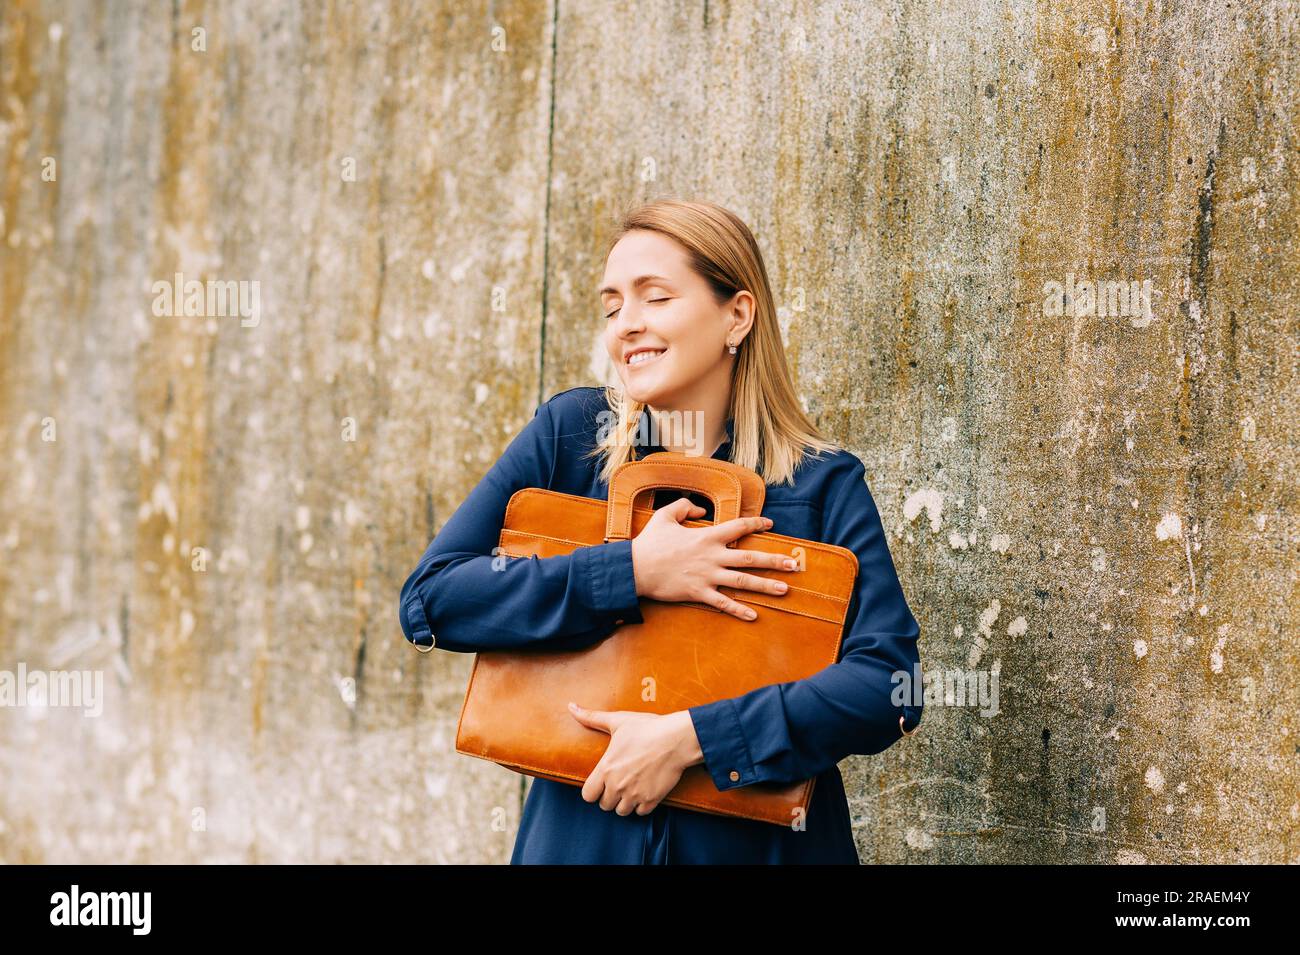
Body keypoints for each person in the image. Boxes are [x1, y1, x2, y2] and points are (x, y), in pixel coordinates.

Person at [398, 198, 923, 864]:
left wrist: (693, 737)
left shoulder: (819, 483)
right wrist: (630, 572)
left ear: (737, 315)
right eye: (613, 306)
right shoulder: (569, 438)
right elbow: (430, 599)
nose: (628, 325)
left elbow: (890, 683)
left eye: (655, 298)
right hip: (580, 846)